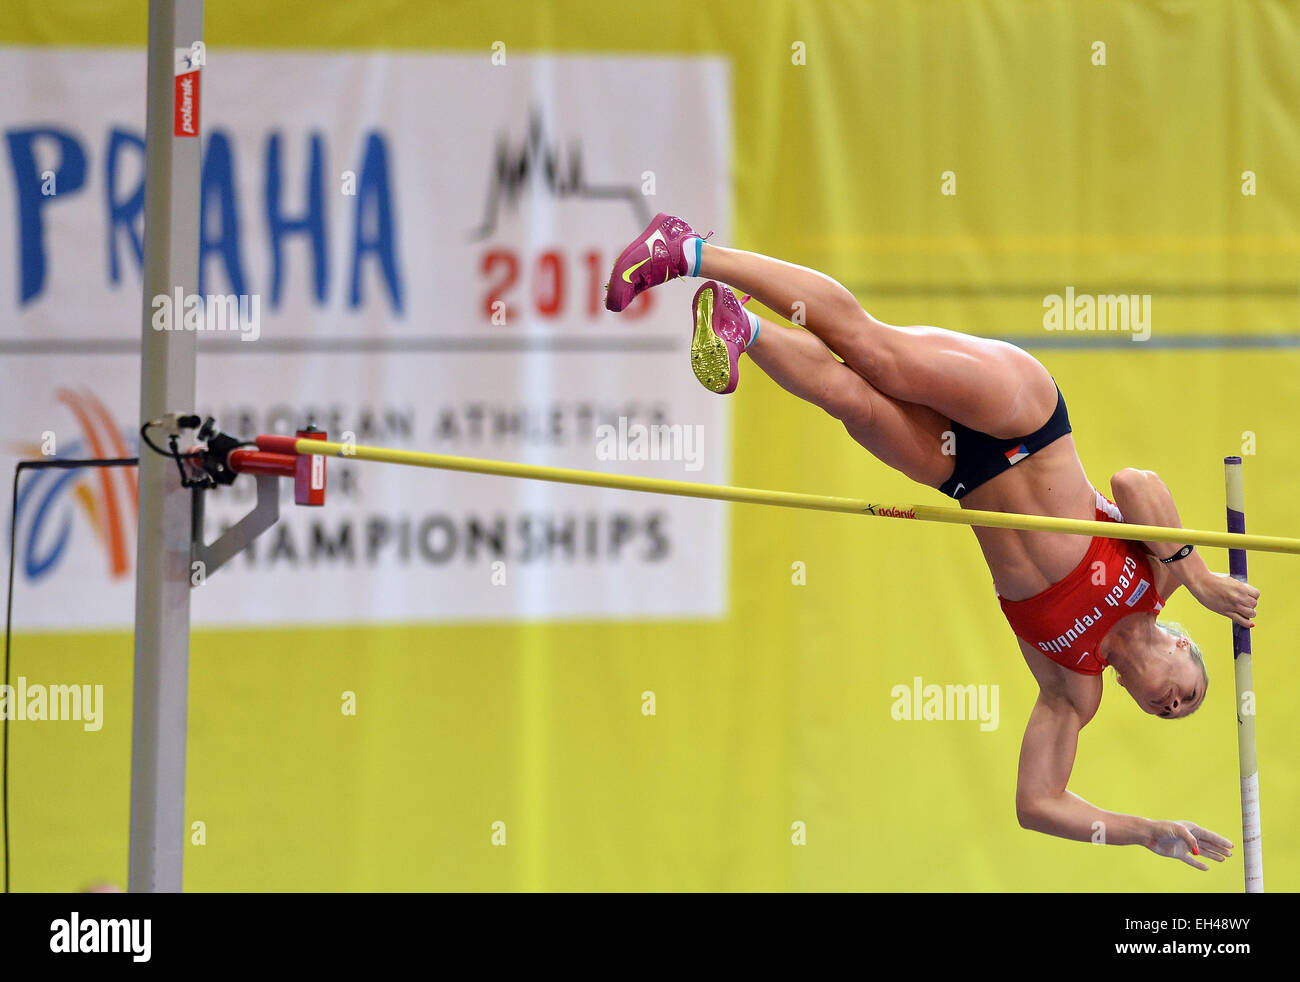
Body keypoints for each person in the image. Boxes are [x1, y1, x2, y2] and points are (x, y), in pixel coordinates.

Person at [606, 214, 1260, 870]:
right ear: (1181, 643)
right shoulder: (1164, 580)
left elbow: (1038, 803)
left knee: (851, 402)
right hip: (1024, 420)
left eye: (1169, 713)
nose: (1173, 704)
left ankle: (739, 326)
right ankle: (688, 251)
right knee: (874, 353)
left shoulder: (1075, 688)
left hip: (962, 474)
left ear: (1131, 697)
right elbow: (1133, 481)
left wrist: (1144, 831)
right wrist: (1200, 577)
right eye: (1189, 692)